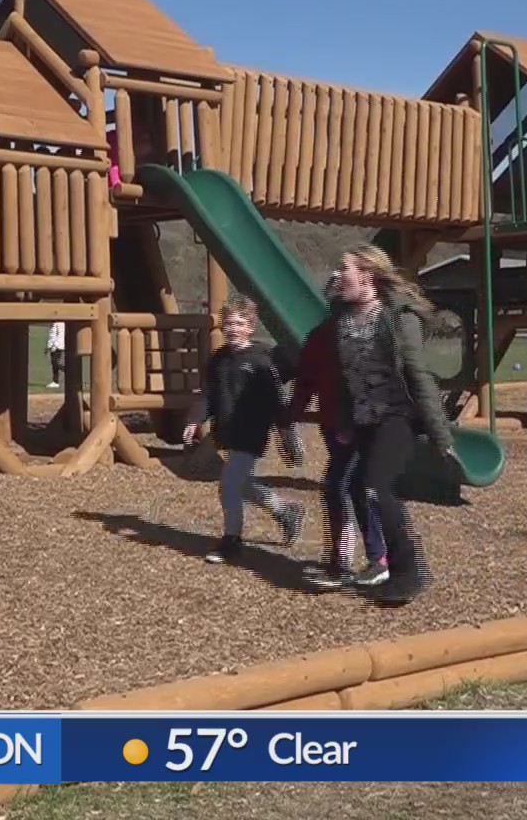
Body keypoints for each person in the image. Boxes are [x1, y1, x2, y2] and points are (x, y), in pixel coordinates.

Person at [329, 244, 457, 607]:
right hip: (365, 420)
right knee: (354, 485)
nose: (336, 275)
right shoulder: (344, 317)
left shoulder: (398, 318)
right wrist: (345, 420)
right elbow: (345, 376)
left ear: (367, 275)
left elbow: (418, 375)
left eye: (344, 269)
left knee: (376, 488)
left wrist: (440, 435)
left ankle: (409, 572)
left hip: (397, 417)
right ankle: (378, 562)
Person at [182, 295, 304, 564]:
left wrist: (287, 435)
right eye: (228, 323)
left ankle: (231, 540)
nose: (233, 329)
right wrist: (195, 420)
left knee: (228, 485)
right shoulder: (219, 360)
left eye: (239, 323)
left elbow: (277, 400)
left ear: (250, 327)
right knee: (242, 484)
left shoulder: (261, 361)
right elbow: (208, 395)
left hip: (251, 431)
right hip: (228, 429)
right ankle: (284, 510)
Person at [288, 276, 389, 591]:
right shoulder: (320, 338)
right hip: (333, 425)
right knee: (340, 488)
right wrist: (289, 415)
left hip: (361, 424)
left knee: (346, 486)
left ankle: (375, 558)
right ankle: (348, 559)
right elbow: (306, 381)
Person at [46, 320, 67, 388]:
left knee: (56, 364)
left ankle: (56, 381)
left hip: (58, 347)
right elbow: (51, 336)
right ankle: (55, 381)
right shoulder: (53, 324)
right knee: (55, 364)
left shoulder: (60, 324)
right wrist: (49, 346)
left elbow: (60, 335)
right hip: (54, 347)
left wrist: (55, 346)